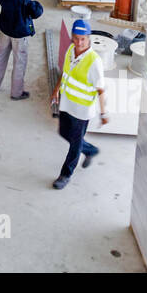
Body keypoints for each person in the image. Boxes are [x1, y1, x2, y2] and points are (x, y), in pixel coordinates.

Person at [52, 18, 108, 190]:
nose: (79, 42)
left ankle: (65, 174)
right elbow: (65, 73)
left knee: (75, 145)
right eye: (76, 38)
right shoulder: (70, 50)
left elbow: (101, 89)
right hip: (67, 104)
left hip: (82, 110)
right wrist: (56, 90)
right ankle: (90, 150)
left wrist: (103, 113)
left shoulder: (94, 61)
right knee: (63, 132)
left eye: (82, 39)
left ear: (89, 38)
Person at [0, 0, 43, 100]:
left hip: (4, 30)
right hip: (19, 34)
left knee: (0, 56)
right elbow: (36, 12)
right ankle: (16, 93)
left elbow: (3, 2)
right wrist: (32, 1)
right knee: (19, 62)